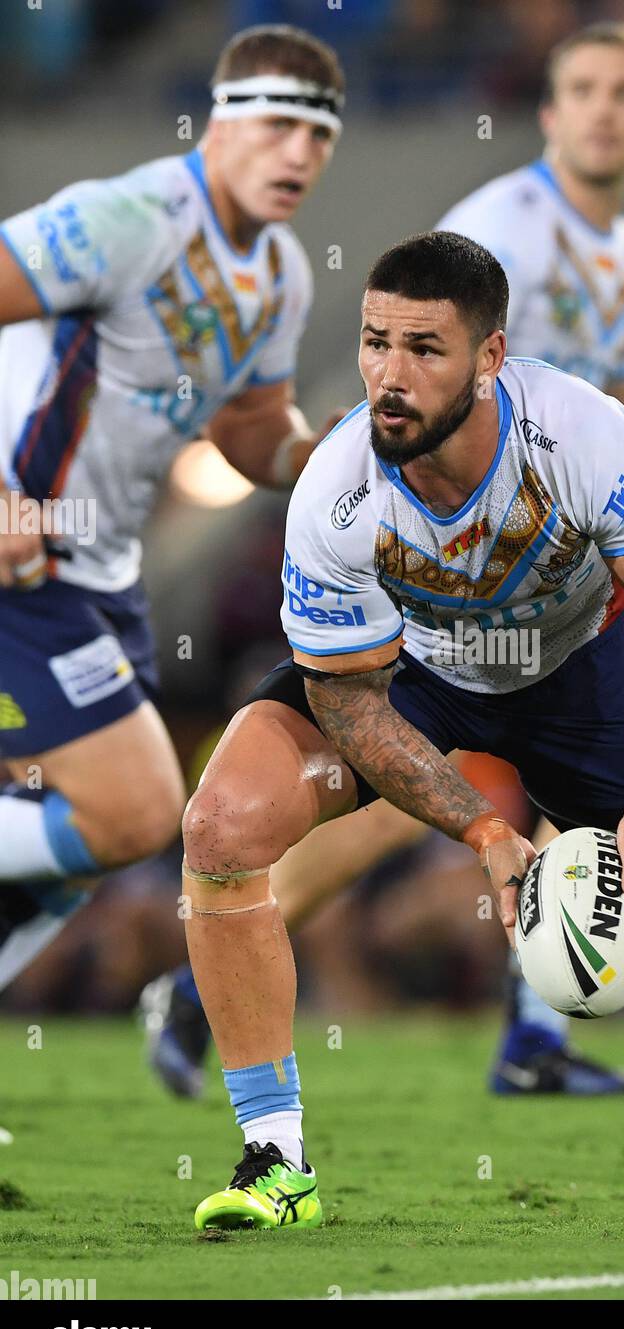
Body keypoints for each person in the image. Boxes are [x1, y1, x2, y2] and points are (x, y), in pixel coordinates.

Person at [183, 231, 624, 1230]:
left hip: (573, 679)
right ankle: (275, 1158)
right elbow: (347, 701)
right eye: (375, 342)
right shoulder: (336, 489)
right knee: (220, 827)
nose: (389, 375)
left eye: (424, 348)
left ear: (490, 359)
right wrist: (488, 835)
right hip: (407, 671)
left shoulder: (583, 439)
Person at [149, 20, 624, 1097]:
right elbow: (414, 369)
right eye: (584, 87)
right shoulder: (503, 229)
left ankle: (536, 1027)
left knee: (551, 773)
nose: (605, 109)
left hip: (553, 569)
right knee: (397, 785)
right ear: (549, 110)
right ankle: (209, 969)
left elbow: (623, 412)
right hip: (441, 552)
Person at [0, 25, 346, 1090]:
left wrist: (333, 456)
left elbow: (246, 433)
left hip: (102, 577)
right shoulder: (131, 217)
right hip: (26, 558)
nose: (297, 154)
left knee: (77, 857)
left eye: (319, 136)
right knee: (140, 810)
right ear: (226, 115)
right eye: (278, 123)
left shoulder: (279, 276)